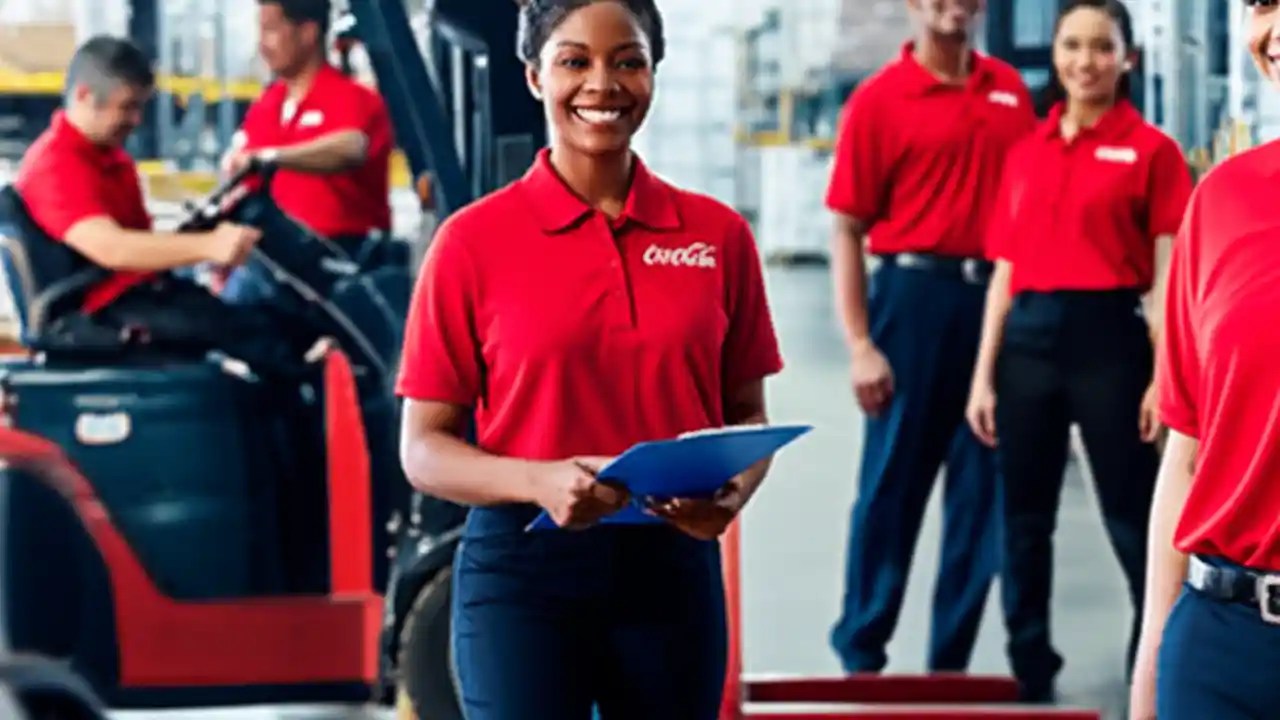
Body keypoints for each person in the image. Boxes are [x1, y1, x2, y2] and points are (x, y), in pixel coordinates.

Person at [394, 0, 784, 717]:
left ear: (653, 72)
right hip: (522, 574)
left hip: (671, 571)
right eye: (575, 61)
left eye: (628, 61)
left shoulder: (717, 236)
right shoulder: (472, 243)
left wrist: (732, 496)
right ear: (535, 76)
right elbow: (423, 450)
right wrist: (538, 479)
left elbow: (747, 418)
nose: (603, 84)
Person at [963, 0, 1193, 702]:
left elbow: (1167, 276)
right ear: (1056, 53)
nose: (1085, 61)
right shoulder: (1026, 151)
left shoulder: (1152, 151)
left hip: (1110, 345)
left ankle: (1148, 662)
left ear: (1126, 57)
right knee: (1024, 519)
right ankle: (1030, 663)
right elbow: (1005, 271)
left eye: (1101, 46)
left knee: (1132, 516)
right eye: (1072, 45)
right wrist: (983, 375)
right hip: (1027, 347)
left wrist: (1163, 375)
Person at [826, 0, 1037, 675]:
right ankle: (862, 652)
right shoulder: (878, 101)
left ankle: (951, 664)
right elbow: (847, 229)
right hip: (911, 302)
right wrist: (860, 343)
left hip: (995, 306)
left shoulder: (1010, 92)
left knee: (982, 496)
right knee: (892, 484)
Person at [1128, 2, 1280, 718]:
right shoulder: (1221, 200)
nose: (1274, 29)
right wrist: (1153, 658)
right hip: (1219, 641)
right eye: (1262, 3)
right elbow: (1187, 453)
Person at [13, 35, 309, 373]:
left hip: (132, 293)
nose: (137, 120)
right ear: (84, 96)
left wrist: (202, 236)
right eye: (127, 107)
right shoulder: (56, 166)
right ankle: (310, 389)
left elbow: (139, 241)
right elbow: (111, 248)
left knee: (269, 318)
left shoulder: (110, 159)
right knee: (253, 335)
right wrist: (208, 246)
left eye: (139, 107)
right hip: (100, 312)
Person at [220, 0, 395, 302]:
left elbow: (352, 148)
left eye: (271, 30)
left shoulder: (352, 99)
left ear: (308, 33)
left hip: (334, 262)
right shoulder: (267, 105)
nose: (262, 45)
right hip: (272, 259)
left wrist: (272, 158)